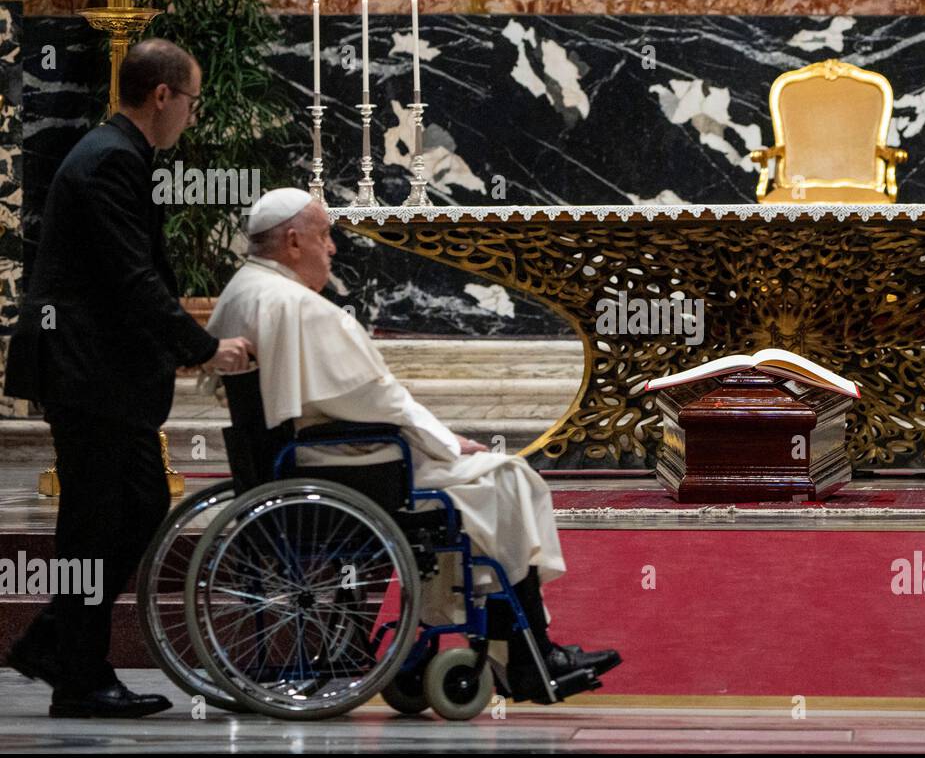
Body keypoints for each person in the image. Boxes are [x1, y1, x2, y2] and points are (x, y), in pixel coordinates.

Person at [205, 188, 620, 701]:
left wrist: (437, 440)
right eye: (324, 235)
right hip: (353, 469)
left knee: (487, 487)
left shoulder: (245, 288)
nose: (331, 249)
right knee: (507, 479)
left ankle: (514, 650)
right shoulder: (299, 307)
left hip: (306, 463)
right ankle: (531, 652)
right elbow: (379, 399)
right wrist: (446, 442)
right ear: (293, 241)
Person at [3, 39, 254, 718]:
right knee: (96, 521)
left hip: (96, 373)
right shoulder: (113, 159)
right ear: (163, 96)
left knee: (135, 505)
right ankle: (76, 672)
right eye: (193, 102)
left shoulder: (116, 155)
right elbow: (130, 278)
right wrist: (203, 347)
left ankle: (57, 644)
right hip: (89, 373)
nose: (193, 118)